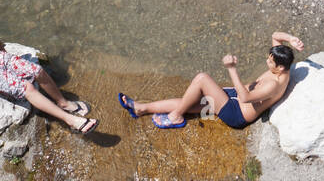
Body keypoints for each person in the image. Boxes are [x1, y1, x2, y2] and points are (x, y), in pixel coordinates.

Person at [0, 0, 97, 134]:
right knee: (27, 87)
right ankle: (70, 120)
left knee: (37, 70)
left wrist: (8, 59)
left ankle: (62, 102)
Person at [118, 31, 304, 129]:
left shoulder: (273, 84)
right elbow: (275, 35)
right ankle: (142, 108)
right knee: (190, 102)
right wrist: (291, 39)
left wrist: (231, 69)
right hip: (233, 97)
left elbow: (246, 98)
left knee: (201, 79)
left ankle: (175, 117)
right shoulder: (281, 67)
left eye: (270, 62)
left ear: (280, 67)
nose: (267, 62)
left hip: (237, 112)